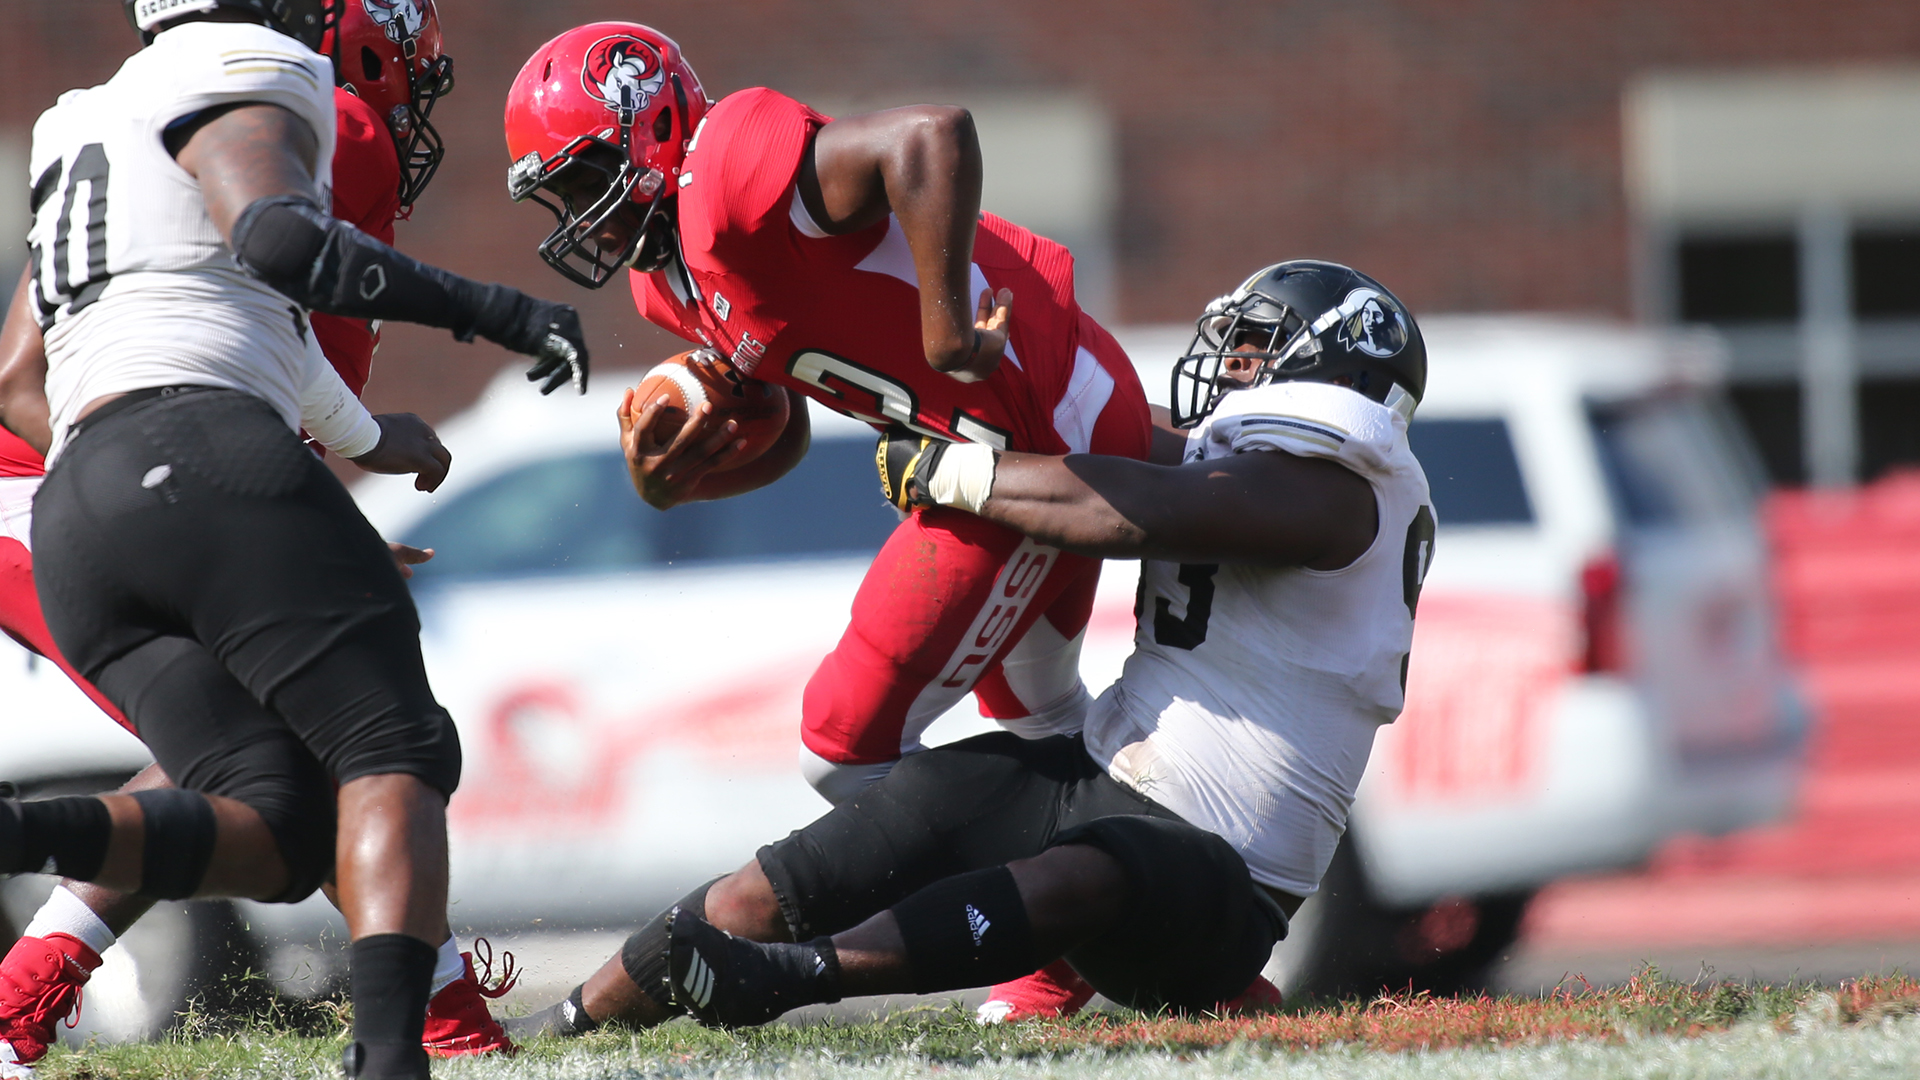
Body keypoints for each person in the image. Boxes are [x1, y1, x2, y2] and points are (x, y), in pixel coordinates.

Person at [505, 261, 1436, 1034]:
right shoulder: (1257, 465)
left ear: (1338, 369)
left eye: (1256, 346)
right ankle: (572, 1019)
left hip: (1225, 877)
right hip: (1100, 775)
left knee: (1095, 866)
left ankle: (792, 978)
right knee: (828, 857)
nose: (1229, 364)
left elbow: (1134, 510)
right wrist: (872, 384)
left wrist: (954, 472)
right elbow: (1084, 433)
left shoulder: (1342, 490)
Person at [0, 1, 586, 1077]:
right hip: (86, 472)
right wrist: (500, 314)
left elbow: (258, 336)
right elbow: (275, 259)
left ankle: (17, 967)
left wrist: (307, 496)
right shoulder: (294, 99)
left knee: (270, 800)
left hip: (101, 482)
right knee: (368, 747)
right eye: (405, 59)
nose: (411, 94)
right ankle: (437, 1024)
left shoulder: (102, 115)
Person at [502, 22, 1153, 811]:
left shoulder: (728, 174)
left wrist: (948, 329)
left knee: (839, 750)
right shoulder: (664, 287)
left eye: (585, 182)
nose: (581, 216)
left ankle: (1033, 882)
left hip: (1045, 424)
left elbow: (930, 136)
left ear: (651, 128)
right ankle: (1135, 859)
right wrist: (675, 481)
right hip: (993, 461)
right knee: (1041, 723)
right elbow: (792, 429)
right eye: (564, 198)